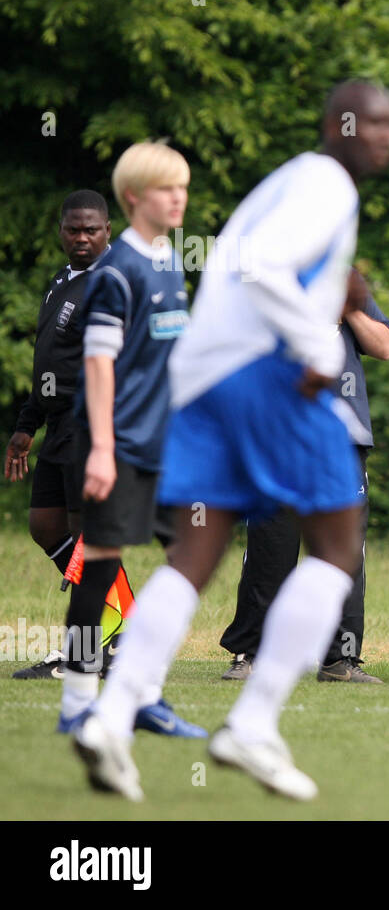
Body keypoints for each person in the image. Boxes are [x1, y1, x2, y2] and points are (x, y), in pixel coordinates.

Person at [71, 80, 389, 802]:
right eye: (372, 122)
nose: (385, 135)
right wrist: (317, 343)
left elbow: (242, 263)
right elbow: (264, 268)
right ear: (338, 126)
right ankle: (252, 724)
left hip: (203, 377)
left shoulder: (284, 181)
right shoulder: (328, 186)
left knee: (194, 555)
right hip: (263, 375)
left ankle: (111, 714)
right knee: (339, 548)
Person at [52, 147, 206, 739]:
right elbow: (98, 363)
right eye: (168, 189)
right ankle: (77, 703)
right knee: (99, 570)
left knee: (189, 557)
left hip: (165, 445)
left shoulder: (169, 258)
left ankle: (143, 691)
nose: (179, 199)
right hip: (117, 445)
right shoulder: (117, 271)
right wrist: (100, 448)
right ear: (135, 198)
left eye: (184, 188)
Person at [218, 290, 389, 684]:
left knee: (343, 552)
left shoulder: (347, 282)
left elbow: (384, 347)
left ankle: (340, 660)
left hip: (341, 443)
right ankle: (251, 653)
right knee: (270, 548)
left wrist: (349, 309)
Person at [6, 191, 134, 680]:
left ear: (107, 230)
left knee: (91, 539)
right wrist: (25, 425)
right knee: (45, 527)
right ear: (61, 231)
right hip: (56, 428)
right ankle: (120, 629)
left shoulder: (112, 284)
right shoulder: (62, 281)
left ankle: (90, 648)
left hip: (92, 425)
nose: (82, 238)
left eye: (91, 230)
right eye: (73, 230)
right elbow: (50, 363)